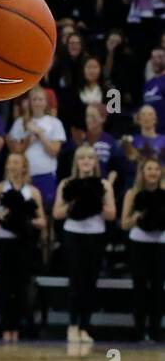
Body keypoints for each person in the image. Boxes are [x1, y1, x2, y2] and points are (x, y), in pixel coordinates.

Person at [0, 152, 46, 343]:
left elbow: (42, 220)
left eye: (16, 162)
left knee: (21, 286)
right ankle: (6, 328)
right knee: (5, 285)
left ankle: (17, 327)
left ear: (24, 166)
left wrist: (27, 220)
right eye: (9, 162)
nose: (12, 166)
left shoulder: (32, 192)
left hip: (24, 243)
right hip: (4, 242)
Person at [52, 146, 115, 344]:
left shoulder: (104, 184)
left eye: (90, 158)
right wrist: (75, 202)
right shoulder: (67, 183)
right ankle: (72, 325)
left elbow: (112, 214)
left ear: (95, 161)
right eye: (82, 158)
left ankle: (84, 327)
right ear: (76, 162)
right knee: (76, 281)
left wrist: (94, 200)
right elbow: (57, 213)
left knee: (90, 282)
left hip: (95, 235)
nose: (86, 161)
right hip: (74, 234)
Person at [122, 156, 165, 342]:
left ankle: (155, 331)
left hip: (160, 244)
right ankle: (139, 330)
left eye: (156, 169)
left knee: (158, 289)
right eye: (149, 169)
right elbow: (124, 224)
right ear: (143, 172)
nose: (153, 172)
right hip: (139, 244)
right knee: (139, 288)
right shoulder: (132, 193)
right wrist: (137, 217)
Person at [6, 87, 65, 207]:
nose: (37, 103)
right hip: (23, 175)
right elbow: (16, 151)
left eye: (40, 99)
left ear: (46, 102)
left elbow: (54, 151)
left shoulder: (54, 123)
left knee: (46, 208)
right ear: (29, 102)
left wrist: (40, 133)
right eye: (34, 100)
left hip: (46, 173)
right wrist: (29, 138)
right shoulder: (20, 122)